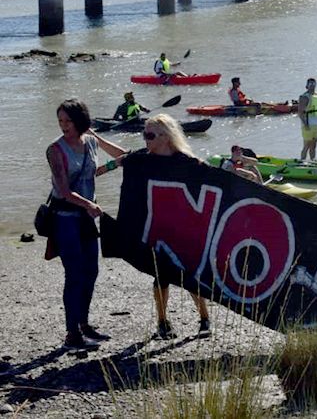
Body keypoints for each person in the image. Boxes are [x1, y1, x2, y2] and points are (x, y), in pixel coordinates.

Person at [47, 99, 128, 351]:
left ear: (80, 120)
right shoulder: (55, 150)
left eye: (68, 121)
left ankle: (84, 324)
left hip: (86, 219)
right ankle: (72, 334)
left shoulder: (91, 142)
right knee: (74, 275)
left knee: (91, 272)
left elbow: (121, 157)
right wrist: (89, 205)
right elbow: (63, 189)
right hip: (65, 219)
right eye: (60, 121)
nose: (63, 126)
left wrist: (97, 138)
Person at [139, 114, 212, 339]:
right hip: (158, 230)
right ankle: (162, 322)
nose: (145, 140)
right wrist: (93, 140)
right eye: (144, 135)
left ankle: (205, 319)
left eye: (149, 135)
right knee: (160, 276)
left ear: (165, 137)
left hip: (184, 230)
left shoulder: (188, 162)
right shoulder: (144, 160)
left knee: (190, 275)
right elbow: (119, 159)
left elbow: (214, 183)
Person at [298, 78, 317, 161]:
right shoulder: (304, 97)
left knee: (314, 144)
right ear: (307, 86)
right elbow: (300, 113)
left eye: (313, 84)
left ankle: (313, 160)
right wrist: (305, 124)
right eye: (310, 84)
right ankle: (302, 160)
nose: (312, 86)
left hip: (316, 123)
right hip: (308, 123)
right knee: (307, 144)